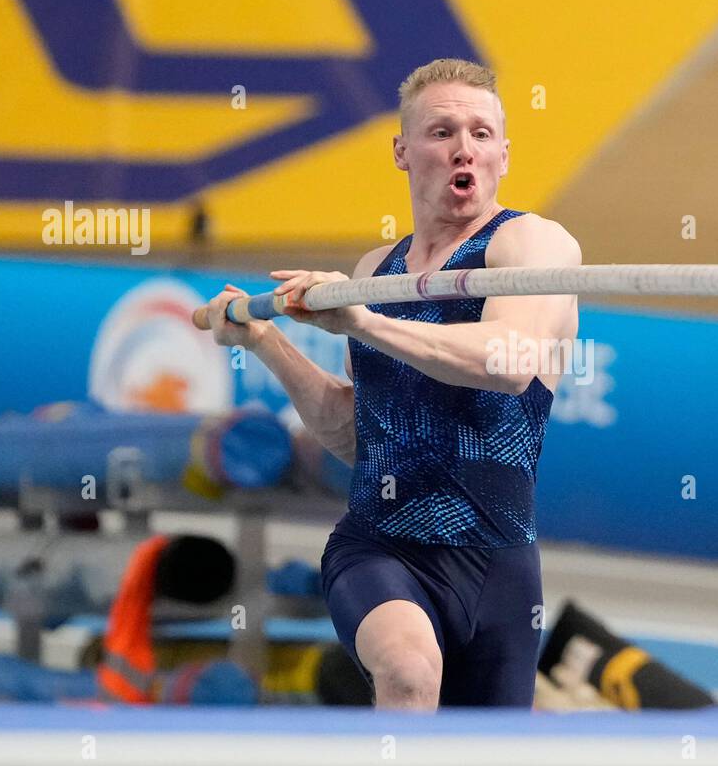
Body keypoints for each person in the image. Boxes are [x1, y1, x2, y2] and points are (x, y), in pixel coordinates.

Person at [204, 58, 581, 709]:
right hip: (379, 548)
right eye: (442, 132)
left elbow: (508, 362)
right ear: (402, 152)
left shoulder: (534, 247)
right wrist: (266, 341)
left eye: (481, 133)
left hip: (500, 573)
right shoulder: (377, 270)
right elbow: (357, 435)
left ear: (504, 155)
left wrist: (361, 320)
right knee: (408, 675)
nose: (465, 147)